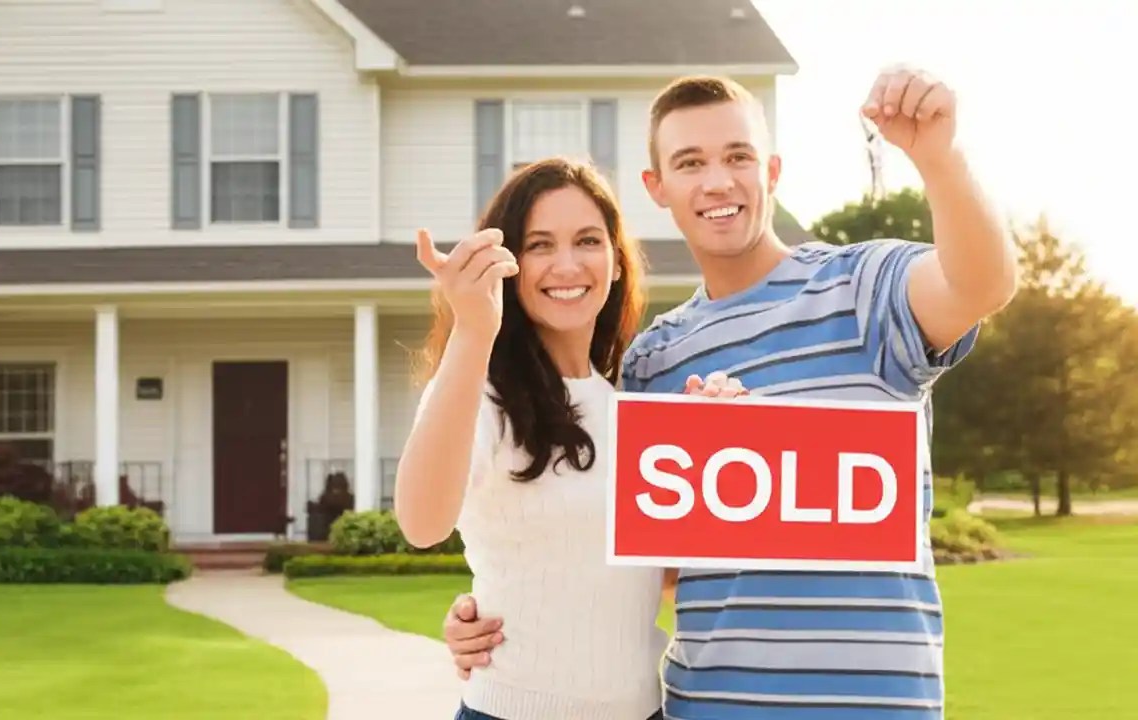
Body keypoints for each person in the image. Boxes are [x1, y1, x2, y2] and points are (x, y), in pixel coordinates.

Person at [441, 66, 1019, 720]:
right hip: (709, 706)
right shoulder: (653, 361)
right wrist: (493, 614)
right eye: (690, 162)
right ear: (657, 188)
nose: (718, 181)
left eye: (737, 156)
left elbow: (983, 286)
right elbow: (642, 566)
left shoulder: (863, 289)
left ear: (771, 171)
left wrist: (939, 160)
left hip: (876, 705)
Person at [395, 156, 747, 720]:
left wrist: (713, 453)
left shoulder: (632, 409)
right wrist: (473, 330)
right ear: (509, 264)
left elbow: (647, 578)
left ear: (614, 263)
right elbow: (420, 522)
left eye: (587, 240)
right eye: (539, 245)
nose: (567, 264)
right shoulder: (479, 393)